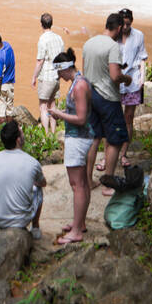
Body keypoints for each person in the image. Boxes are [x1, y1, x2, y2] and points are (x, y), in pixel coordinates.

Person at [47, 48, 92, 246]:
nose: (59, 77)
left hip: (79, 138)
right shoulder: (78, 82)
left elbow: (81, 119)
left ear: (65, 69)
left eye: (59, 73)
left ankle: (76, 231)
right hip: (79, 137)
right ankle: (78, 223)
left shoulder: (79, 86)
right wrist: (63, 112)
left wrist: (58, 113)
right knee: (81, 183)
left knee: (77, 185)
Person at [83, 12, 128, 195]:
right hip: (108, 98)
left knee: (94, 138)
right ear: (118, 28)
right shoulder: (113, 46)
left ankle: (88, 180)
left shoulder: (89, 43)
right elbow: (115, 75)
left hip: (90, 95)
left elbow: (85, 70)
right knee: (114, 140)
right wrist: (128, 78)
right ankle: (109, 185)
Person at [0, 119, 45, 239]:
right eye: (21, 132)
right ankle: (35, 227)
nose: (23, 134)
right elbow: (43, 183)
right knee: (38, 189)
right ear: (18, 140)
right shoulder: (32, 162)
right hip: (20, 221)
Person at [118, 8, 148, 161]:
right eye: (122, 24)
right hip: (116, 82)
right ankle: (111, 153)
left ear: (131, 22)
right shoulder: (113, 35)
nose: (125, 27)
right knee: (113, 117)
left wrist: (142, 77)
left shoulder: (138, 35)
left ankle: (123, 153)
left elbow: (142, 57)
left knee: (128, 118)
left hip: (133, 81)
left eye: (128, 24)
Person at [31, 12, 63, 133]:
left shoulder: (43, 39)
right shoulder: (58, 38)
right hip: (56, 77)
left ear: (41, 24)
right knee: (52, 106)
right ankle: (54, 132)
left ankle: (45, 135)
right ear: (51, 24)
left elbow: (40, 61)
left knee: (43, 106)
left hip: (47, 76)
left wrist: (34, 77)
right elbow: (62, 57)